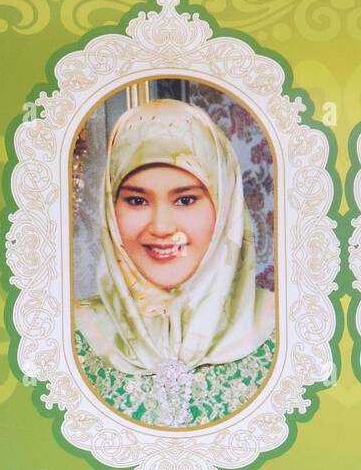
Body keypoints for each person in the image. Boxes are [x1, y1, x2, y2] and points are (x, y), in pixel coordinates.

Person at [74, 98, 275, 428]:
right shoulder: (70, 334)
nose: (162, 227)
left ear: (225, 206)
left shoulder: (282, 330)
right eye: (136, 200)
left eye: (185, 199)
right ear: (110, 208)